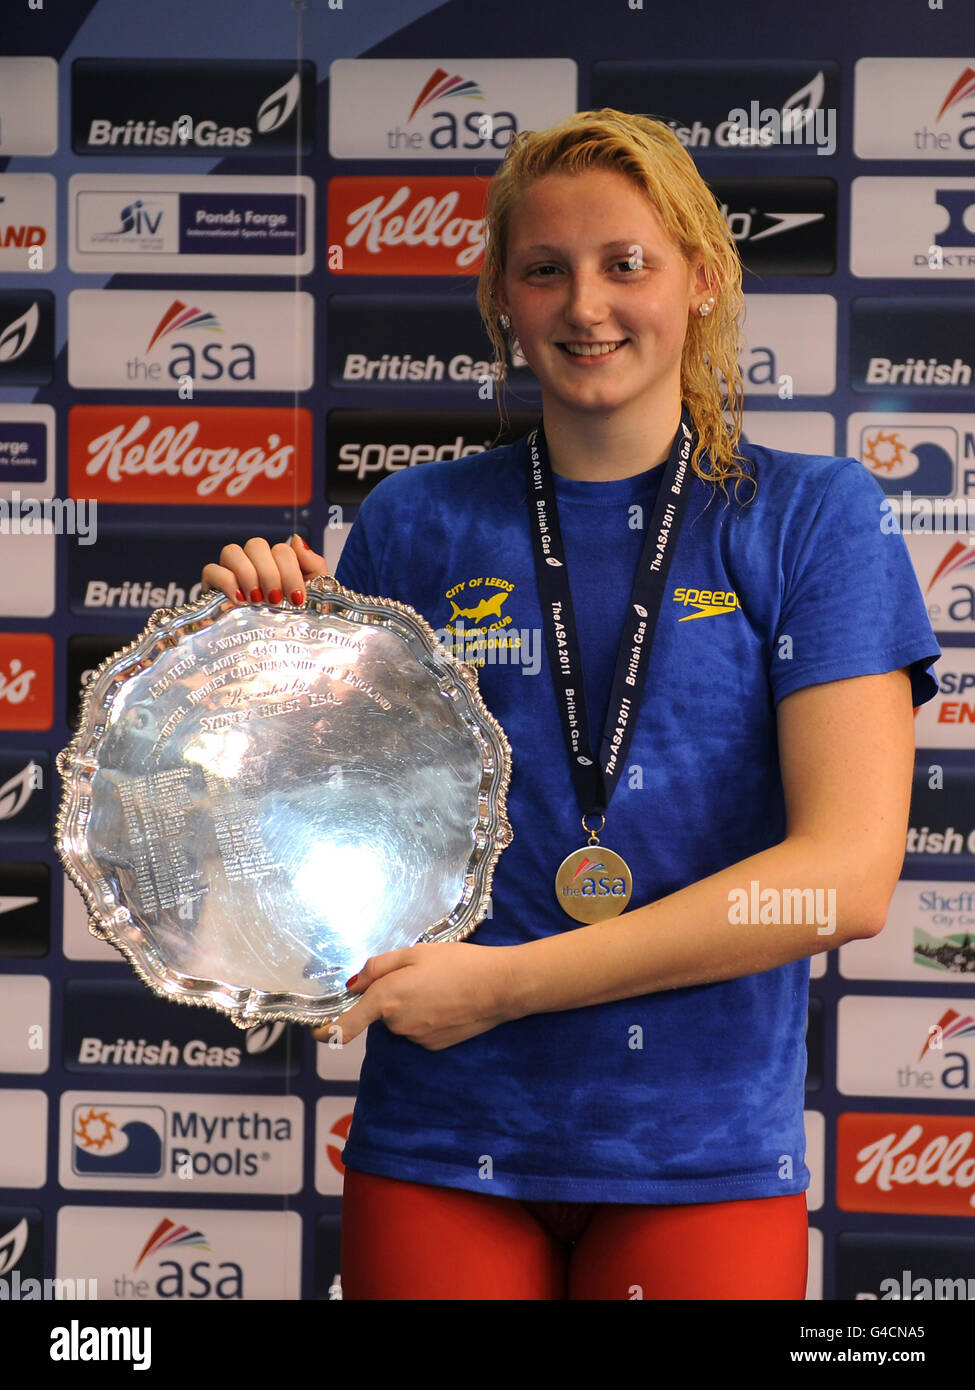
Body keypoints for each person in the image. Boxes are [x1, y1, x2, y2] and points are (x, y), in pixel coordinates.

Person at [201, 108, 941, 1301]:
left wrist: (501, 985)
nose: (586, 306)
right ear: (502, 296)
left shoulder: (814, 516)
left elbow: (844, 876)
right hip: (446, 1136)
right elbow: (321, 835)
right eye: (545, 270)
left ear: (702, 279)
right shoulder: (415, 522)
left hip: (696, 1153)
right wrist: (256, 655)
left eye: (626, 264)